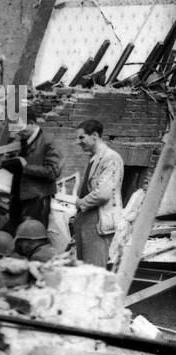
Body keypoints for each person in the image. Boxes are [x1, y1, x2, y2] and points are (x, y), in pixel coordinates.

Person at [73, 119, 123, 269]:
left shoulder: (110, 158)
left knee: (94, 270)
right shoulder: (94, 158)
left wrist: (81, 203)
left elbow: (102, 194)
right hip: (88, 218)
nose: (78, 142)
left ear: (94, 135)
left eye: (81, 137)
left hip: (98, 221)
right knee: (84, 269)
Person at [10, 107, 62, 228]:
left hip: (37, 200)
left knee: (32, 235)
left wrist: (26, 167)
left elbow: (53, 171)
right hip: (19, 197)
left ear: (32, 123)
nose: (17, 132)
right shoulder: (24, 140)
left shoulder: (48, 142)